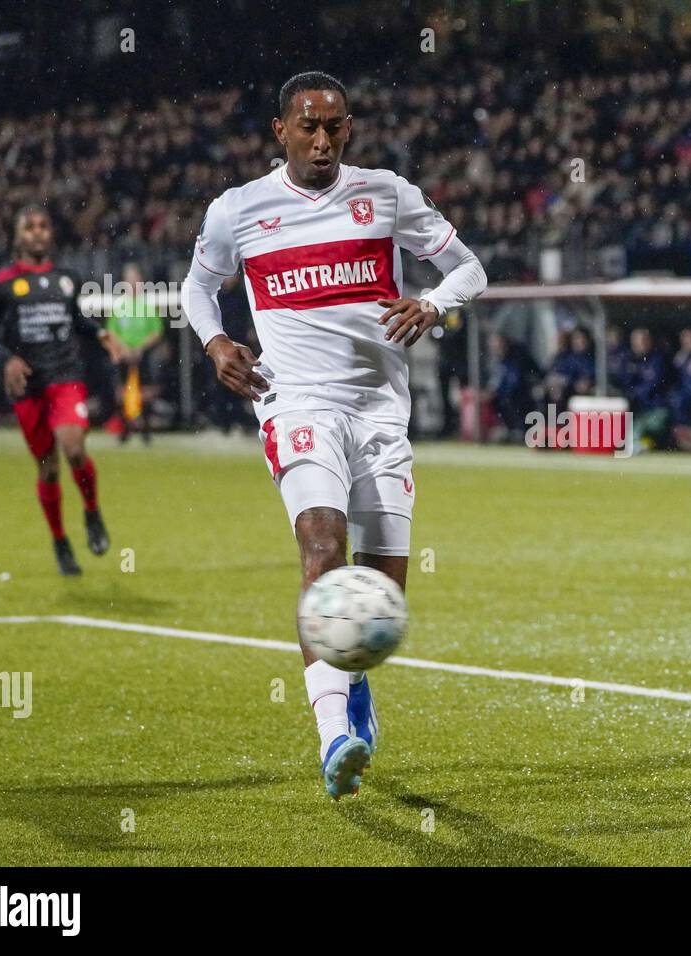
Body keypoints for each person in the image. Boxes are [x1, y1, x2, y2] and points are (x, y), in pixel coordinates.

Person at [181, 72, 486, 800]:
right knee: (322, 544)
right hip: (294, 403)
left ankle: (353, 689)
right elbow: (197, 286)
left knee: (381, 594)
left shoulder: (386, 194)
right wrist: (215, 342)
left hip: (380, 411)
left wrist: (434, 303)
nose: (323, 140)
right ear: (279, 130)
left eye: (336, 127)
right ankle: (333, 738)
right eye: (309, 127)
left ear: (348, 129)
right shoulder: (240, 209)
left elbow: (469, 268)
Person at [0, 206, 122, 576]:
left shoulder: (67, 278)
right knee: (49, 470)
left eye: (43, 226)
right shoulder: (2, 282)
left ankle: (91, 512)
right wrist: (7, 359)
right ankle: (60, 541)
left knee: (73, 448)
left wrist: (100, 332)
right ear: (18, 235)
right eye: (30, 227)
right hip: (28, 388)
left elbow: (76, 319)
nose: (37, 233)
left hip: (65, 378)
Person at [106, 263, 163, 443]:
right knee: (122, 392)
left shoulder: (147, 304)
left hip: (143, 354)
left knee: (145, 391)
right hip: (124, 353)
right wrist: (123, 347)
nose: (133, 283)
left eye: (135, 279)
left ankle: (145, 430)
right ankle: (125, 429)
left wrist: (140, 348)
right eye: (129, 280)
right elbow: (112, 331)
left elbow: (156, 331)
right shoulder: (119, 305)